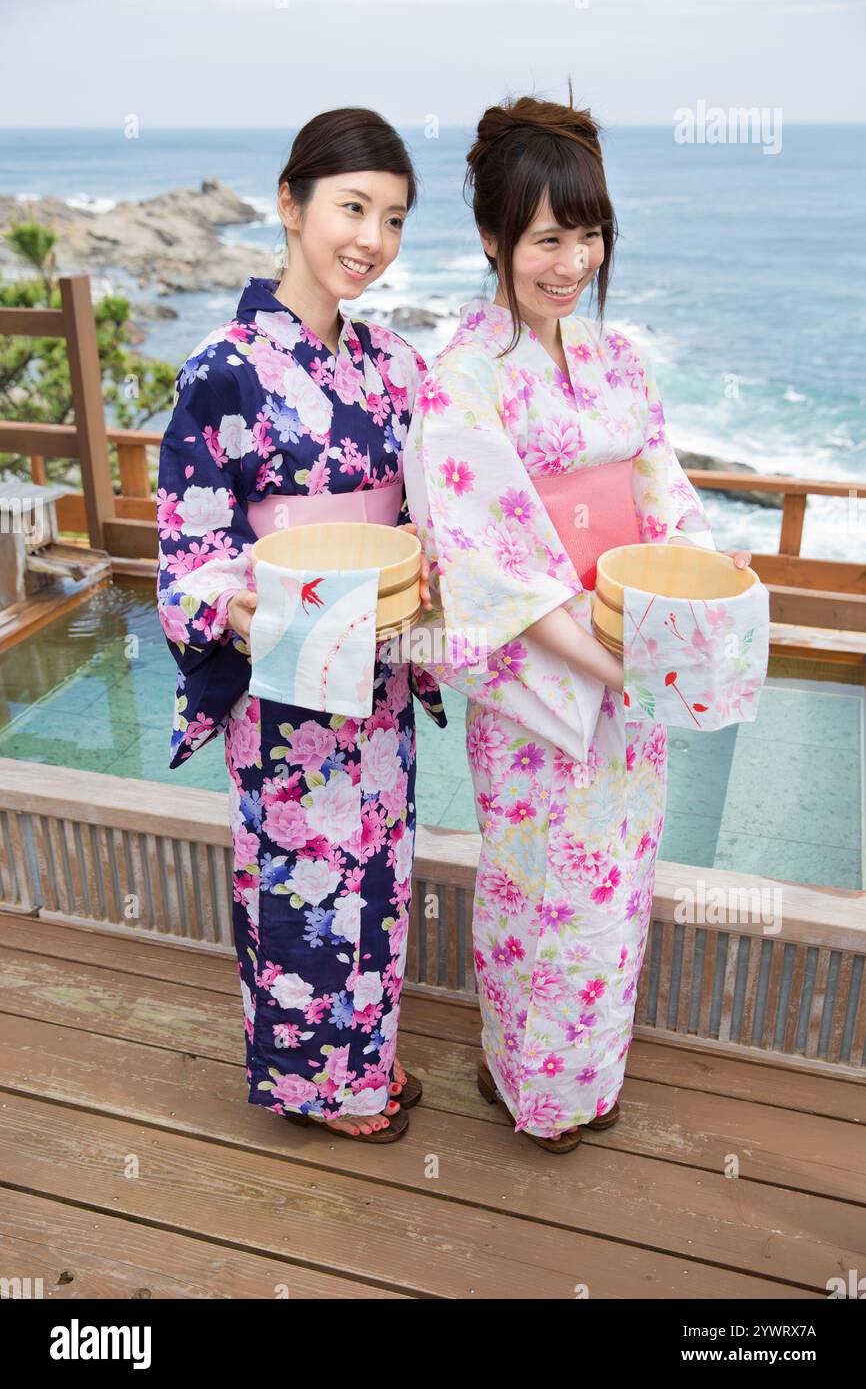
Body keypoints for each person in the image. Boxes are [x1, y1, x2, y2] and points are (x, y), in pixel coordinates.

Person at [402, 91, 751, 1153]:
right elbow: (485, 559)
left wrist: (694, 573)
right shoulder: (459, 376)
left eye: (587, 233)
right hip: (549, 673)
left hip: (625, 650)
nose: (572, 261)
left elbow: (663, 489)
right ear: (491, 239)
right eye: (547, 237)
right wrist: (601, 656)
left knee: (615, 886)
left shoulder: (616, 359)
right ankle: (534, 1086)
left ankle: (588, 1074)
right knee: (542, 883)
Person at [156, 108, 447, 1143]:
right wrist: (239, 604)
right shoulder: (221, 371)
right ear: (290, 204)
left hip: (376, 670)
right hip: (282, 674)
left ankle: (361, 1050)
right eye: (352, 207)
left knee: (377, 876)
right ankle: (316, 1086)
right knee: (299, 887)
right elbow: (189, 558)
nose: (371, 237)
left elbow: (432, 509)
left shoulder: (395, 366)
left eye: (395, 218)